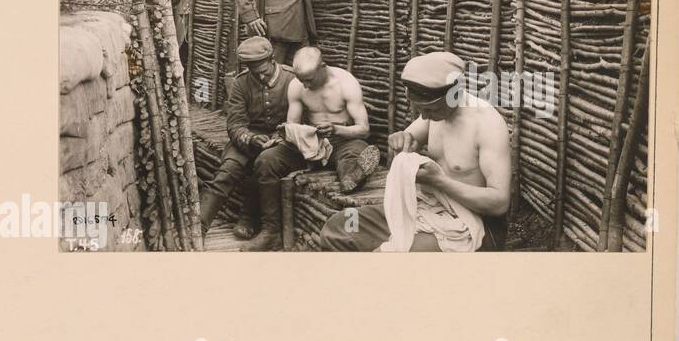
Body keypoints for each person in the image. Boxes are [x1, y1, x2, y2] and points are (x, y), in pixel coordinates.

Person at [318, 51, 512, 252]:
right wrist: (400, 138)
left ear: (455, 92)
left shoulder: (487, 124)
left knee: (399, 256)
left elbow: (499, 203)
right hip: (426, 210)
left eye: (431, 110)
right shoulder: (435, 113)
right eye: (420, 110)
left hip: (474, 226)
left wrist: (440, 181)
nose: (425, 116)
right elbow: (408, 138)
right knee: (341, 226)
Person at [198, 36, 296, 251]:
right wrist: (250, 138)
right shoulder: (242, 83)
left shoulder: (292, 80)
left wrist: (281, 137)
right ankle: (199, 228)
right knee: (228, 169)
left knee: (265, 162)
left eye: (264, 70)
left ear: (272, 60)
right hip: (250, 138)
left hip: (283, 139)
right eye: (254, 72)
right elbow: (235, 124)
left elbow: (301, 121)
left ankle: (259, 225)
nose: (260, 76)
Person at [283, 47, 381, 192]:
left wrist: (336, 129)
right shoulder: (296, 86)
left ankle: (351, 178)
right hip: (310, 142)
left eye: (309, 80)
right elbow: (292, 125)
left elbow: (364, 130)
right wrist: (290, 131)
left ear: (323, 67)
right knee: (270, 159)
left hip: (342, 141)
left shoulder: (346, 83)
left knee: (355, 151)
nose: (306, 86)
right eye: (301, 80)